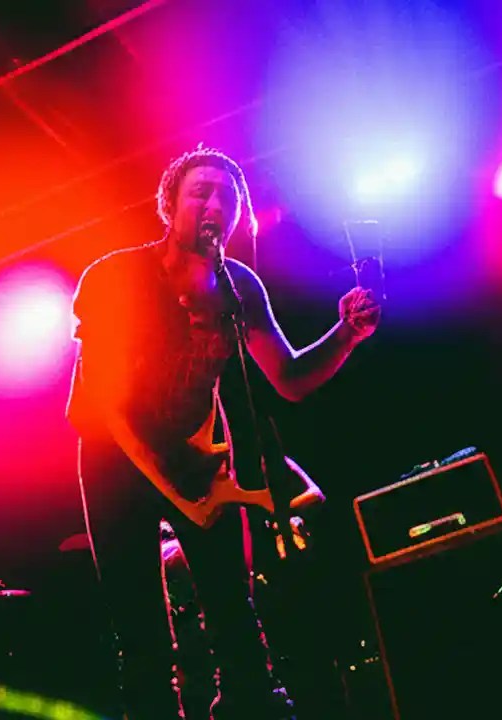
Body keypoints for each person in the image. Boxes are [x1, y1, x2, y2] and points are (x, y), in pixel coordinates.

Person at [66, 145, 380, 719]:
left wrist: (345, 335)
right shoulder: (114, 275)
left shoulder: (239, 288)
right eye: (201, 193)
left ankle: (250, 706)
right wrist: (179, 478)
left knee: (234, 609)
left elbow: (288, 377)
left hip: (194, 457)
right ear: (168, 206)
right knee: (140, 627)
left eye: (228, 198)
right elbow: (108, 398)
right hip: (118, 458)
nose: (215, 206)